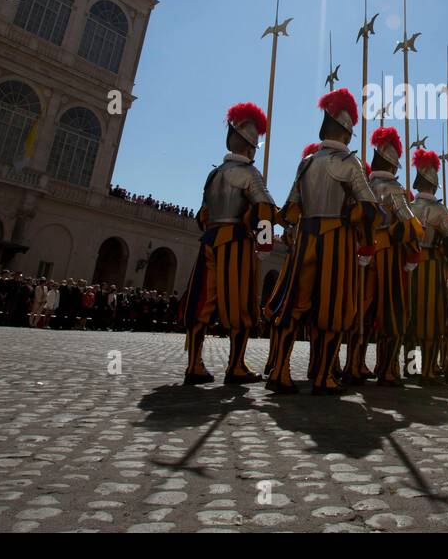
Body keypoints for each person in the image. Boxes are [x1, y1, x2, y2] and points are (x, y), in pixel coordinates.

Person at [263, 88, 379, 395]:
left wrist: (269, 225)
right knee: (333, 308)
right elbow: (369, 208)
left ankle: (281, 370)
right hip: (336, 241)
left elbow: (290, 209)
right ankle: (324, 376)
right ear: (345, 131)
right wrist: (354, 220)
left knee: (295, 306)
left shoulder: (307, 162)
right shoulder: (349, 163)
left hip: (306, 239)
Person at [178, 101, 277, 386]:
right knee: (241, 306)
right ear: (250, 147)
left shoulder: (214, 174)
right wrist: (264, 244)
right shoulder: (249, 174)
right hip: (235, 242)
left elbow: (203, 215)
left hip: (209, 240)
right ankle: (236, 366)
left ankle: (194, 365)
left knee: (201, 304)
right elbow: (265, 211)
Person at [349, 126, 423, 386]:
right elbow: (412, 226)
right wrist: (414, 250)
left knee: (362, 311)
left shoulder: (363, 184)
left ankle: (354, 364)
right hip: (389, 256)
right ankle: (387, 367)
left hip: (360, 252)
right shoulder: (394, 189)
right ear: (393, 164)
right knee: (392, 312)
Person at [407, 147, 448, 384]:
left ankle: (412, 367)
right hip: (430, 268)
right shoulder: (440, 210)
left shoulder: (408, 205)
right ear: (435, 184)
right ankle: (427, 369)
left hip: (408, 267)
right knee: (430, 322)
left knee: (411, 320)